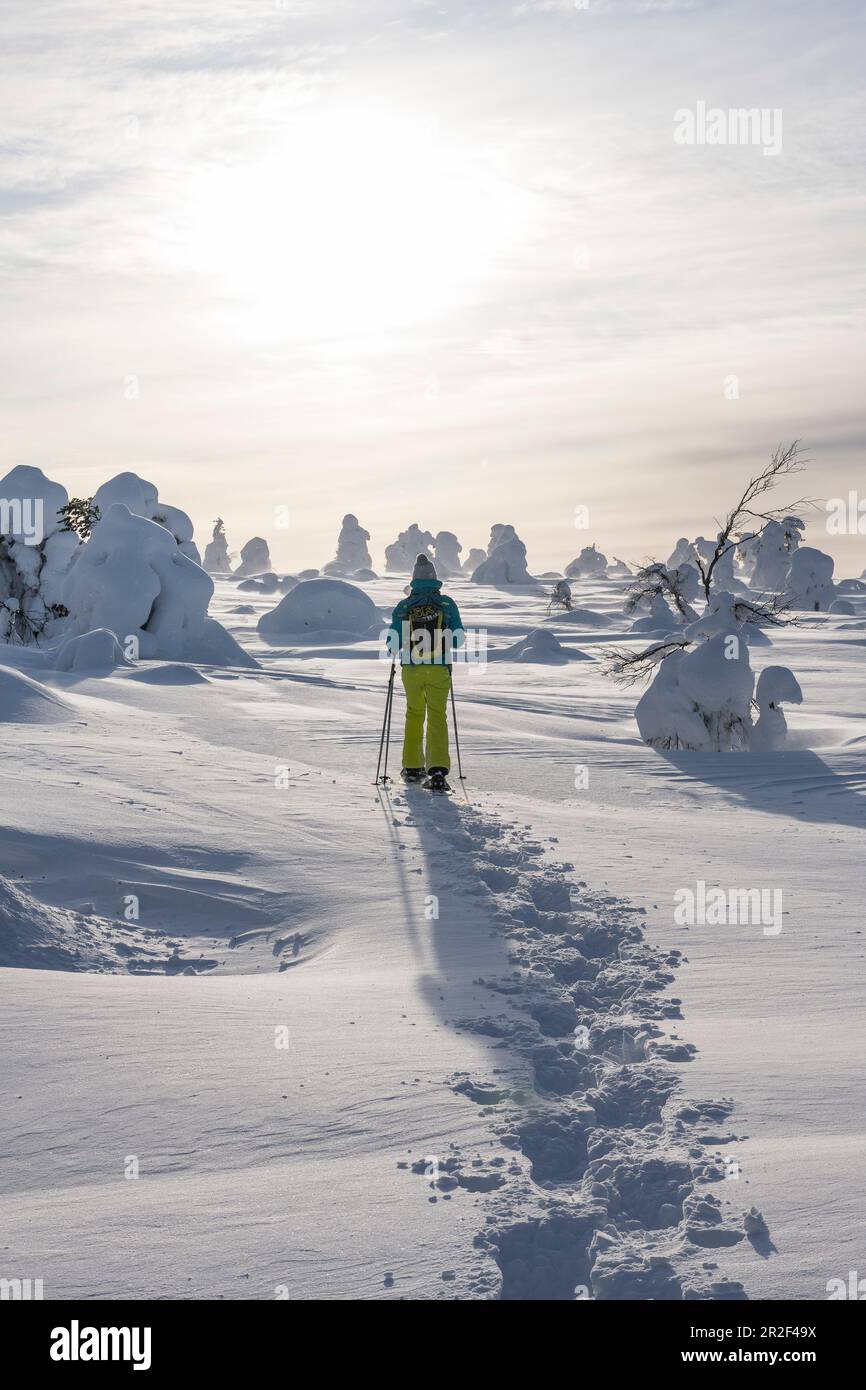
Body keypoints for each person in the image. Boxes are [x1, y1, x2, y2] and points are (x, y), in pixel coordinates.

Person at [386, 555, 465, 790]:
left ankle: (412, 768)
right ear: (434, 579)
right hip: (439, 669)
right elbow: (459, 639)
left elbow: (392, 643)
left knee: (414, 714)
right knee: (437, 716)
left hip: (411, 669)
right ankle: (438, 770)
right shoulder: (447, 604)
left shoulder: (404, 606)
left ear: (414, 580)